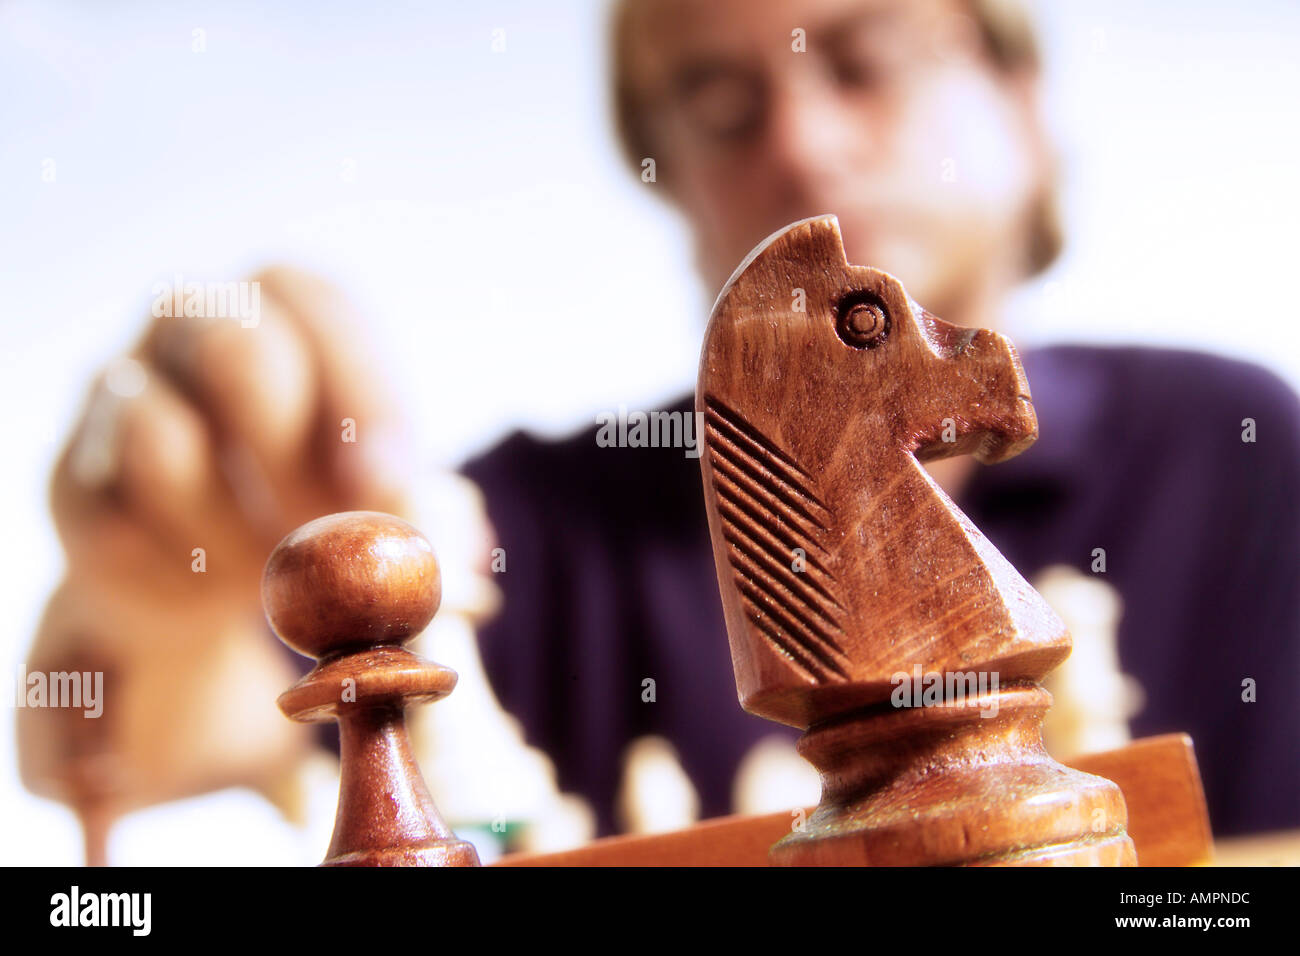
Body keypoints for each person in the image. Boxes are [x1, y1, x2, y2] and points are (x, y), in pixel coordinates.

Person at [33, 0, 1300, 843]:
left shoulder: (1240, 450)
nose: (801, 144)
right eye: (718, 104)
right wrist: (156, 578)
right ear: (664, 172)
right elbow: (111, 739)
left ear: (1020, 108)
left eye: (864, 59)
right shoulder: (522, 529)